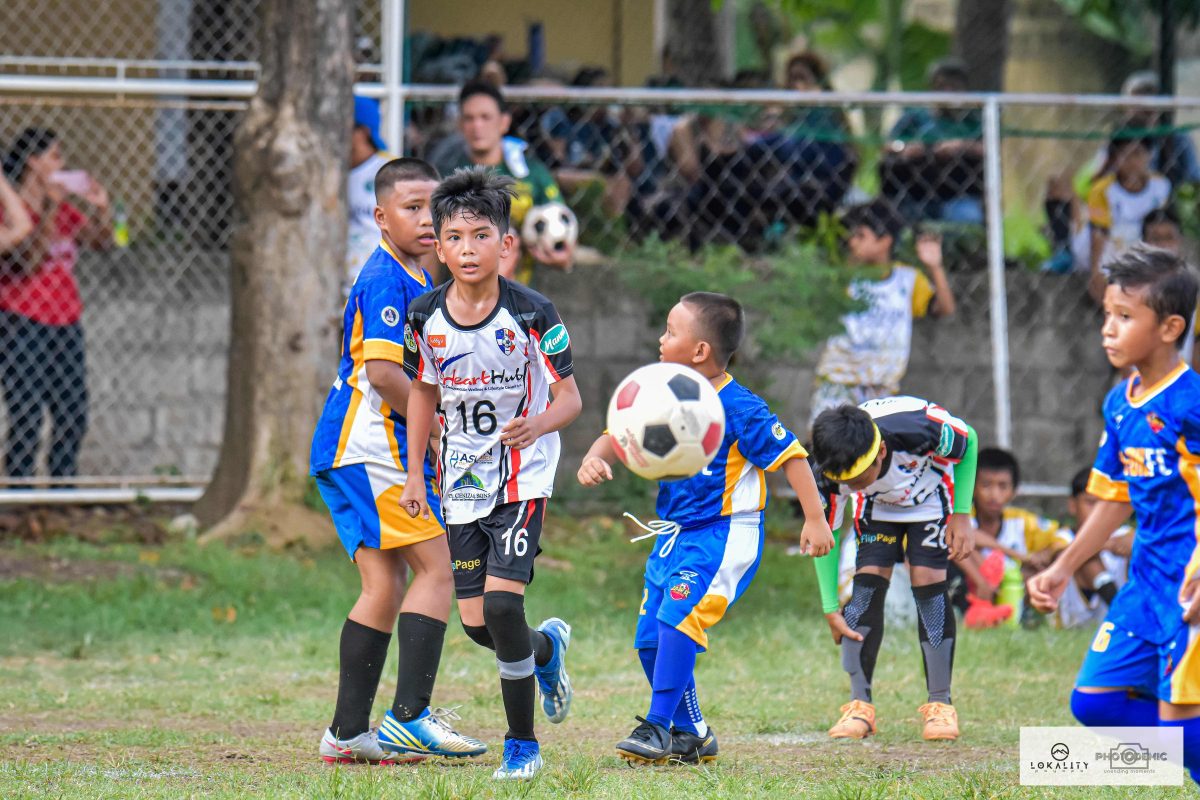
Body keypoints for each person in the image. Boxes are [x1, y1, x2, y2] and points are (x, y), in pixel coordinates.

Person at [576, 292, 835, 766]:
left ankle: (656, 726)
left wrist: (815, 519)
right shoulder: (662, 390)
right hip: (674, 535)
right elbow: (619, 433)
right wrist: (596, 456)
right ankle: (691, 733)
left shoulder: (739, 406)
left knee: (678, 618)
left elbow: (793, 456)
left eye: (671, 331)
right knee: (650, 639)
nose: (661, 338)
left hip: (723, 534)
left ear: (700, 351)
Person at [401, 167, 583, 780]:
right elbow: (423, 391)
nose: (468, 249)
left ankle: (522, 746)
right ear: (439, 245)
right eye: (455, 237)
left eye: (481, 236)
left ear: (506, 244)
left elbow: (571, 399)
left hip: (524, 476)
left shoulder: (532, 312)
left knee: (504, 609)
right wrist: (412, 474)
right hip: (461, 481)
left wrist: (539, 424)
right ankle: (547, 651)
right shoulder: (424, 316)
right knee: (480, 624)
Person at [309, 158, 487, 766]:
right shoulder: (387, 278)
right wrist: (438, 428)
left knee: (384, 585)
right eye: (410, 208)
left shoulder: (417, 279)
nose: (425, 220)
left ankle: (347, 733)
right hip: (371, 447)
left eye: (431, 208)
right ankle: (410, 717)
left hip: (354, 449)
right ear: (381, 217)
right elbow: (385, 374)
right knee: (438, 567)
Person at [1028, 246, 1200, 786]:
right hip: (1146, 583)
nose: (1109, 328)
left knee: (1178, 722)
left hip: (1190, 584)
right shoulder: (1119, 404)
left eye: (1125, 317)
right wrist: (1062, 567)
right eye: (1106, 313)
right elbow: (1115, 499)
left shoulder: (1190, 402)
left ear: (1170, 327)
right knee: (1094, 703)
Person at [810, 396, 979, 742]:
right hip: (878, 510)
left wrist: (961, 515)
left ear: (881, 453)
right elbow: (822, 541)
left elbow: (970, 440)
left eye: (860, 478)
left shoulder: (921, 431)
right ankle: (860, 704)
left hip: (930, 499)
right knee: (866, 586)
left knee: (928, 583)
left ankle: (940, 704)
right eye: (846, 483)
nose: (852, 487)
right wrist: (829, 607)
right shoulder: (829, 471)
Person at [0, 128, 111, 481]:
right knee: (27, 414)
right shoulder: (12, 211)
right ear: (33, 161)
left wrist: (103, 209)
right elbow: (27, 261)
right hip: (22, 320)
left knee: (72, 413)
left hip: (65, 321)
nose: (61, 164)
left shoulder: (63, 209)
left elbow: (100, 242)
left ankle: (63, 486)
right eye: (55, 156)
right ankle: (18, 488)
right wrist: (47, 208)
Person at [808, 199, 955, 427]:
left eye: (860, 236)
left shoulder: (907, 279)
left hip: (882, 389)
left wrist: (935, 267)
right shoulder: (845, 278)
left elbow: (944, 308)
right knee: (828, 448)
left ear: (884, 241)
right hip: (838, 383)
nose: (851, 241)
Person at [430, 81, 574, 279]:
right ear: (460, 125)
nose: (477, 126)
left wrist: (561, 254)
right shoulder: (446, 176)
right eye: (469, 118)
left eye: (485, 117)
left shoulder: (532, 172)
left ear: (504, 122)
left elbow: (561, 228)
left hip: (520, 298)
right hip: (459, 298)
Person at [882, 59, 984, 224]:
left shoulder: (974, 119)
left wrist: (961, 146)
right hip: (915, 191)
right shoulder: (916, 116)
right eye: (943, 87)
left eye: (955, 88)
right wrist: (907, 148)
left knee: (968, 217)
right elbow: (888, 145)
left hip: (960, 193)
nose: (948, 93)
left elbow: (990, 148)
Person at [1087, 133, 1171, 302]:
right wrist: (1095, 272)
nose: (1131, 161)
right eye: (1124, 154)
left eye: (1137, 154)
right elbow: (1099, 232)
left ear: (1149, 156)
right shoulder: (1102, 190)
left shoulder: (1161, 186)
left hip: (1148, 244)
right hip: (1113, 243)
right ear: (1115, 158)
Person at [1052, 467, 1131, 630]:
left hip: (1108, 629)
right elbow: (1061, 553)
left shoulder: (1125, 534)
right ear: (1072, 505)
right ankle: (1122, 617)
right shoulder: (1062, 537)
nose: (1098, 512)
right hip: (1069, 625)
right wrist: (1108, 545)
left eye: (1105, 505)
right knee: (1085, 558)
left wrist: (1135, 546)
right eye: (1091, 503)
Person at [346, 97, 392, 292]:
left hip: (380, 284)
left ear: (363, 131)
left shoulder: (390, 171)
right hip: (339, 285)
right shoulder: (329, 171)